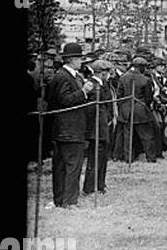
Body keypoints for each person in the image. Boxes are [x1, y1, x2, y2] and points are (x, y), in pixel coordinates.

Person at [47, 42, 93, 208]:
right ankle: (70, 201)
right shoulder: (65, 77)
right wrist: (84, 92)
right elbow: (65, 100)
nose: (82, 62)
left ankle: (60, 199)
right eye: (80, 58)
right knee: (73, 166)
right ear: (72, 59)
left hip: (63, 129)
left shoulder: (65, 76)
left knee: (60, 167)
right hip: (70, 129)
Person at [82, 59, 116, 197]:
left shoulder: (103, 85)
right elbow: (92, 110)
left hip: (103, 127)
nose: (109, 75)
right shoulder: (93, 86)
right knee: (95, 159)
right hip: (95, 129)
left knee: (102, 158)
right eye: (107, 72)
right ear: (102, 73)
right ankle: (90, 187)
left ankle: (100, 184)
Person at [114, 56, 159, 163]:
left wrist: (123, 106)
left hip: (125, 110)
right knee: (146, 136)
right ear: (142, 67)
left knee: (127, 136)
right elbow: (148, 98)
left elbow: (119, 95)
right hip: (141, 110)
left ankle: (128, 158)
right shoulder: (146, 80)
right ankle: (151, 157)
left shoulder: (123, 78)